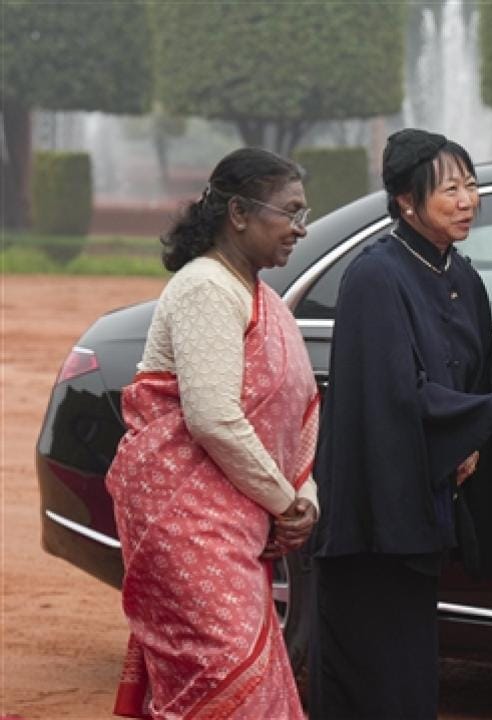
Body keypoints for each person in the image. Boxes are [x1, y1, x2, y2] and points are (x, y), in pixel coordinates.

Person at [309, 128, 492, 720]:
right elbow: (393, 395)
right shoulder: (377, 275)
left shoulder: (461, 275)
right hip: (375, 513)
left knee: (411, 671)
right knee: (371, 666)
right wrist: (487, 418)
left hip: (427, 501)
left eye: (471, 186)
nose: (467, 201)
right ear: (406, 200)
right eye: (450, 190)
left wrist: (474, 436)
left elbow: (473, 375)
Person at [105, 147, 319, 719]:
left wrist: (304, 497)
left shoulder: (263, 299)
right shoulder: (206, 288)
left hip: (237, 515)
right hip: (184, 517)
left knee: (247, 667)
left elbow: (299, 411)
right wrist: (286, 502)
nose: (300, 228)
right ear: (239, 213)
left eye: (303, 214)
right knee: (222, 668)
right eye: (289, 212)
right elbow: (213, 417)